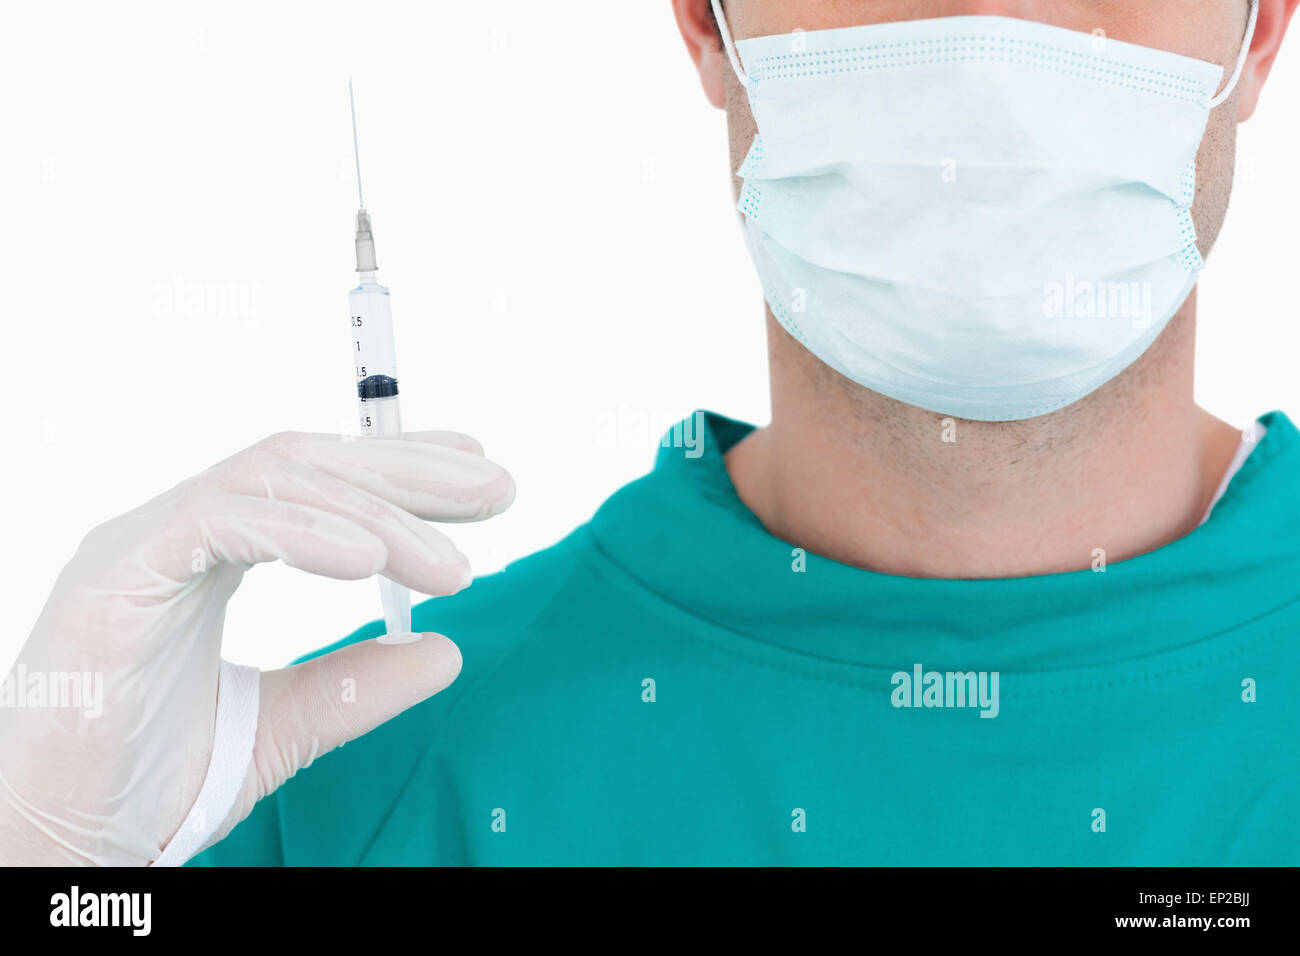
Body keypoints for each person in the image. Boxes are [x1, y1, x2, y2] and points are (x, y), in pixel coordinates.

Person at [3, 0, 1298, 867]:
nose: (992, 40)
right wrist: (60, 875)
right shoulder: (361, 779)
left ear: (1263, 28)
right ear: (706, 19)